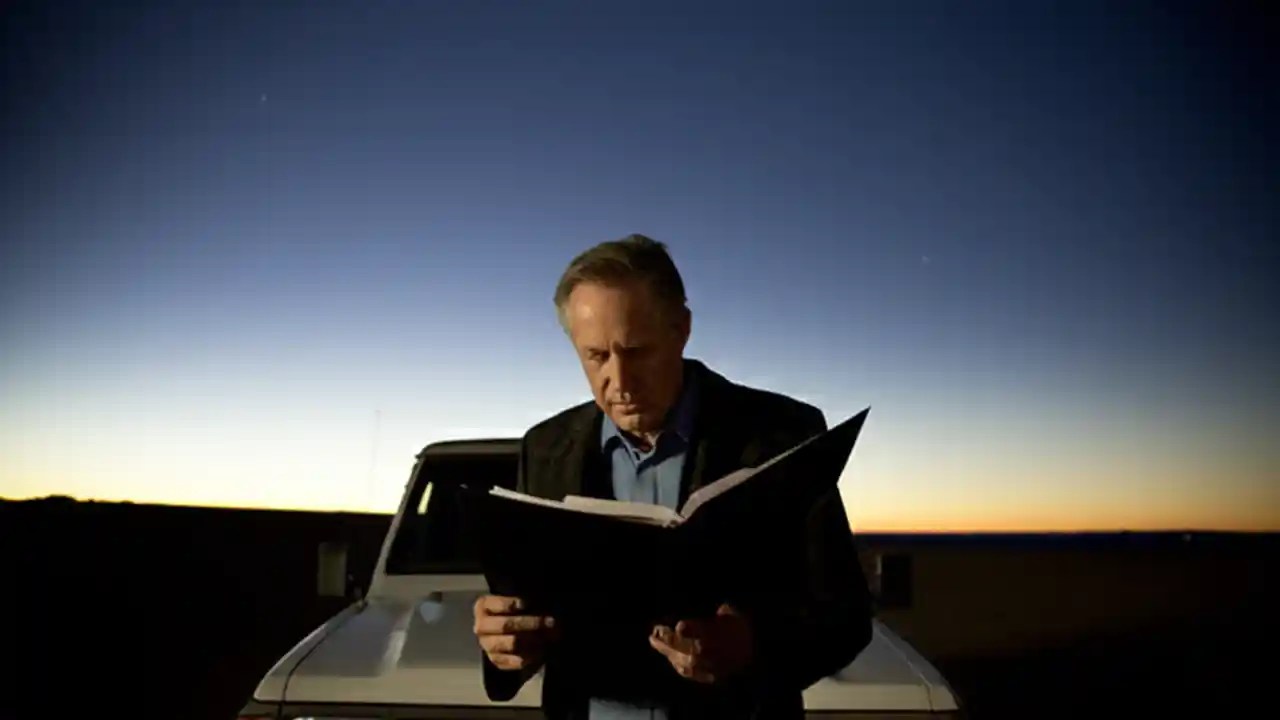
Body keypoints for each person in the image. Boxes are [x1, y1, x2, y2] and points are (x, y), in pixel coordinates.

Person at [472, 234, 874, 719]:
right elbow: (523, 613)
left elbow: (845, 618)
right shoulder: (543, 447)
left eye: (637, 351)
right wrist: (504, 645)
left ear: (681, 330)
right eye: (596, 356)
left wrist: (752, 645)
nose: (619, 383)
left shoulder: (781, 433)